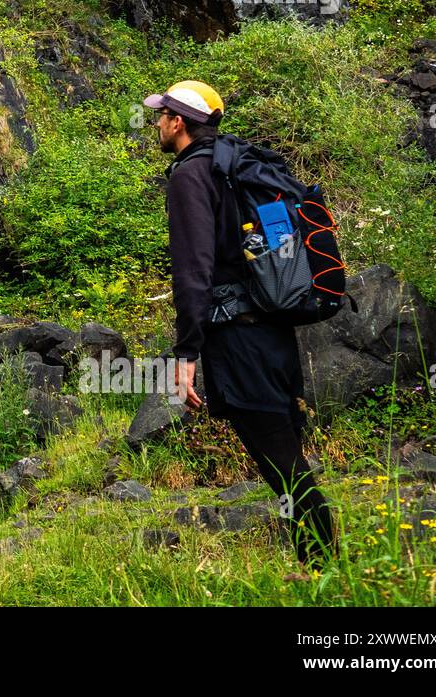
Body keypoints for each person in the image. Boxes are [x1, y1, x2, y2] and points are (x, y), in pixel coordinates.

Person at [144, 80, 337, 570]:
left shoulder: (192, 175)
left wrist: (185, 354)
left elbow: (194, 270)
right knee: (284, 453)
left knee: (283, 465)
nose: (157, 123)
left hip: (239, 339)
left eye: (162, 115)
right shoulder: (235, 166)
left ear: (179, 122)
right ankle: (312, 561)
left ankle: (323, 570)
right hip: (273, 331)